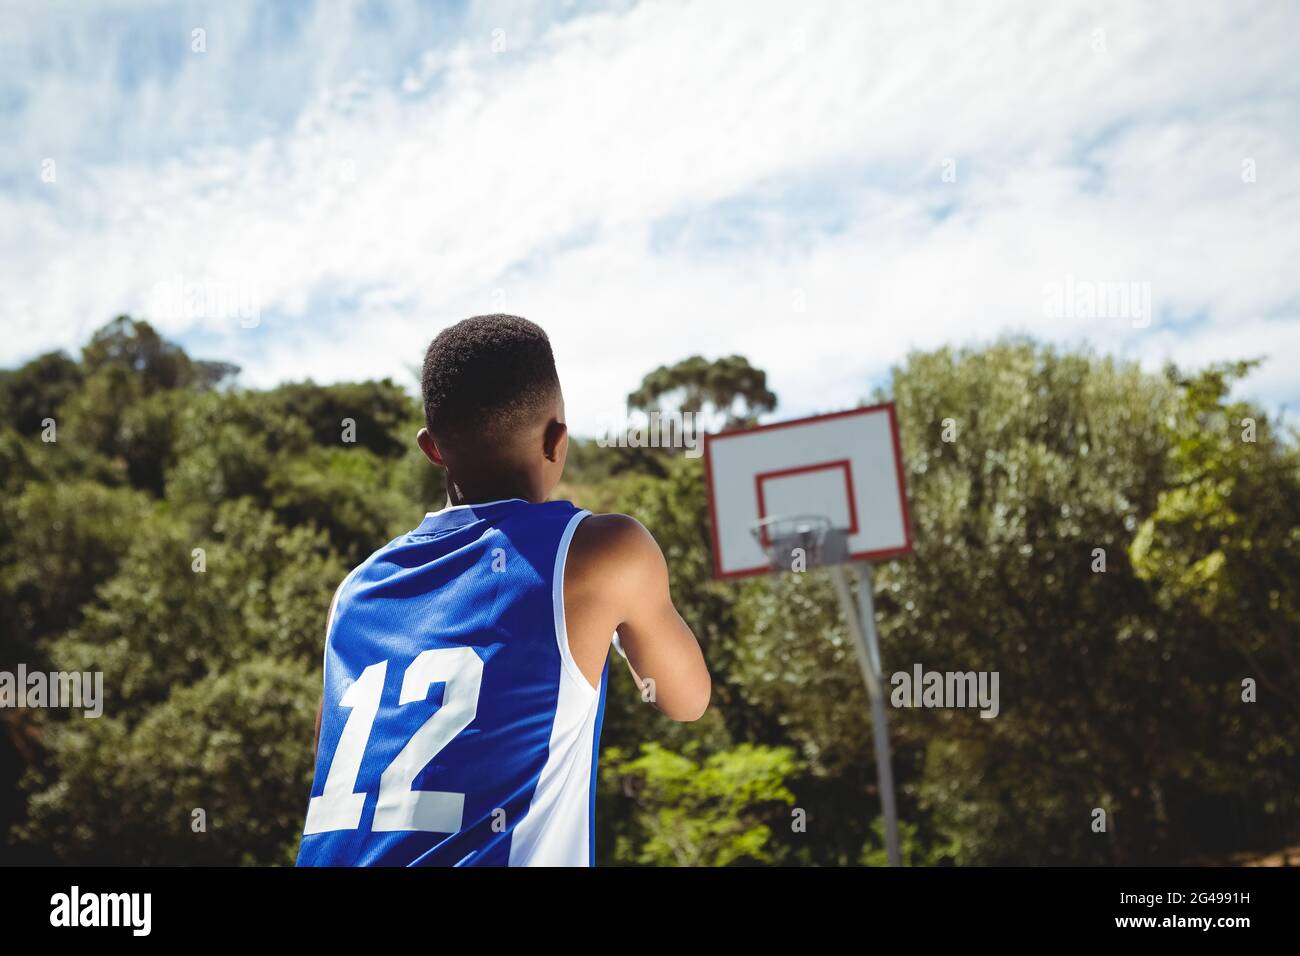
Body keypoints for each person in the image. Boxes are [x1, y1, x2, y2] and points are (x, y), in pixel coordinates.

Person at [296, 314, 710, 866]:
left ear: (431, 448)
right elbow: (686, 700)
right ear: (558, 441)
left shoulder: (353, 592)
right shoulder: (600, 551)